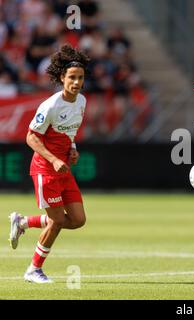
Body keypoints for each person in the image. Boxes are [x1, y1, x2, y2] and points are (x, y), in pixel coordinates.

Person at [8, 44, 90, 283]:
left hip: (63, 168)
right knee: (56, 221)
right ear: (62, 78)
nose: (76, 82)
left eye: (80, 78)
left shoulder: (82, 101)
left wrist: (72, 150)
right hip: (46, 170)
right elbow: (31, 136)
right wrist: (53, 159)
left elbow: (70, 132)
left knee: (77, 220)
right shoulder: (51, 105)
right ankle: (33, 270)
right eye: (72, 77)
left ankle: (23, 222)